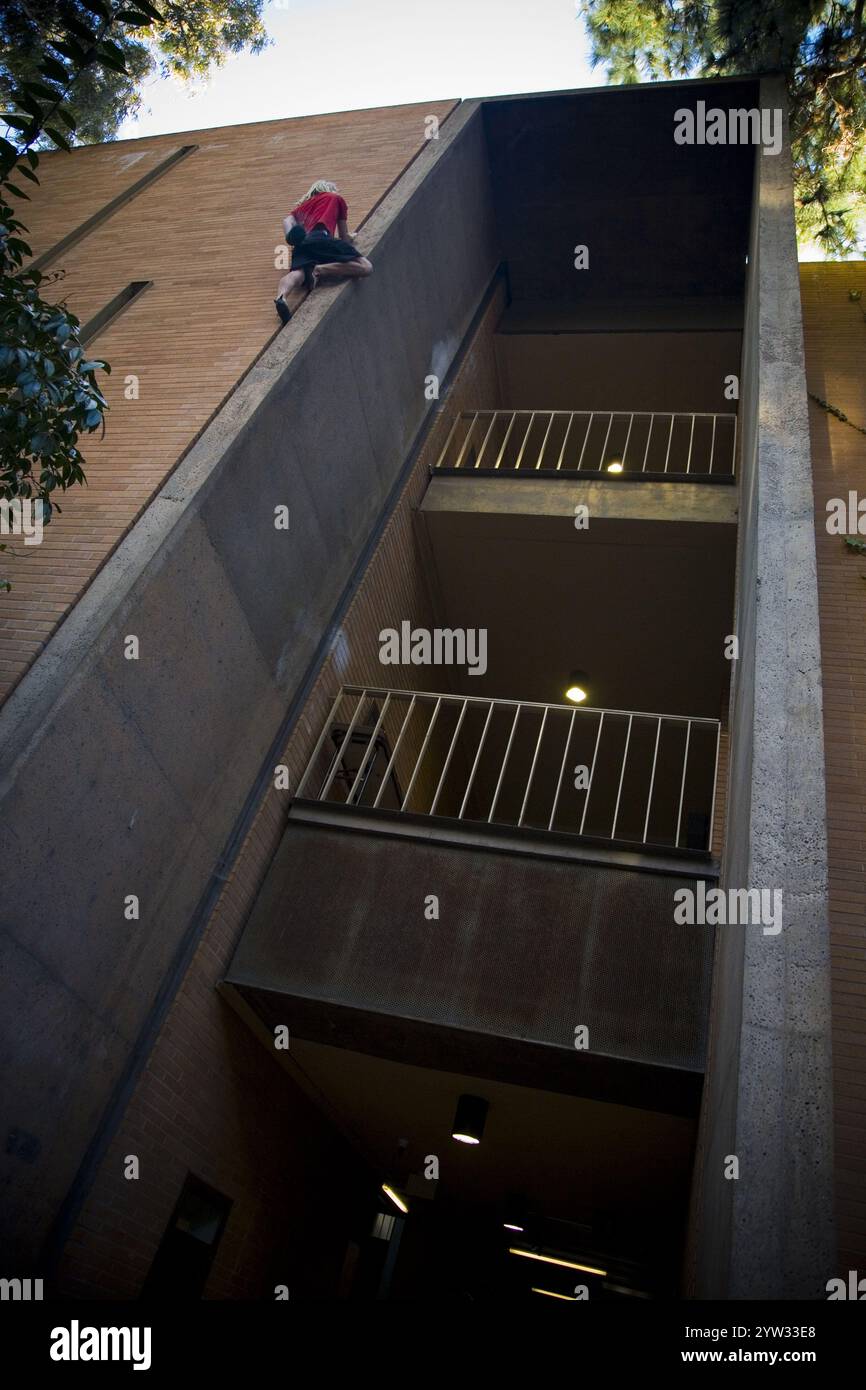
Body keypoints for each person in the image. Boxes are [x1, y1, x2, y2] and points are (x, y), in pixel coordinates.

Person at [274, 178, 373, 324]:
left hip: (302, 244)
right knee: (366, 267)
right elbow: (344, 237)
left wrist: (290, 236)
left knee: (297, 273)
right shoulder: (335, 198)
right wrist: (350, 238)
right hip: (322, 237)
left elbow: (287, 220)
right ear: (328, 188)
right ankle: (318, 270)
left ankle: (281, 297)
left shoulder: (305, 205)